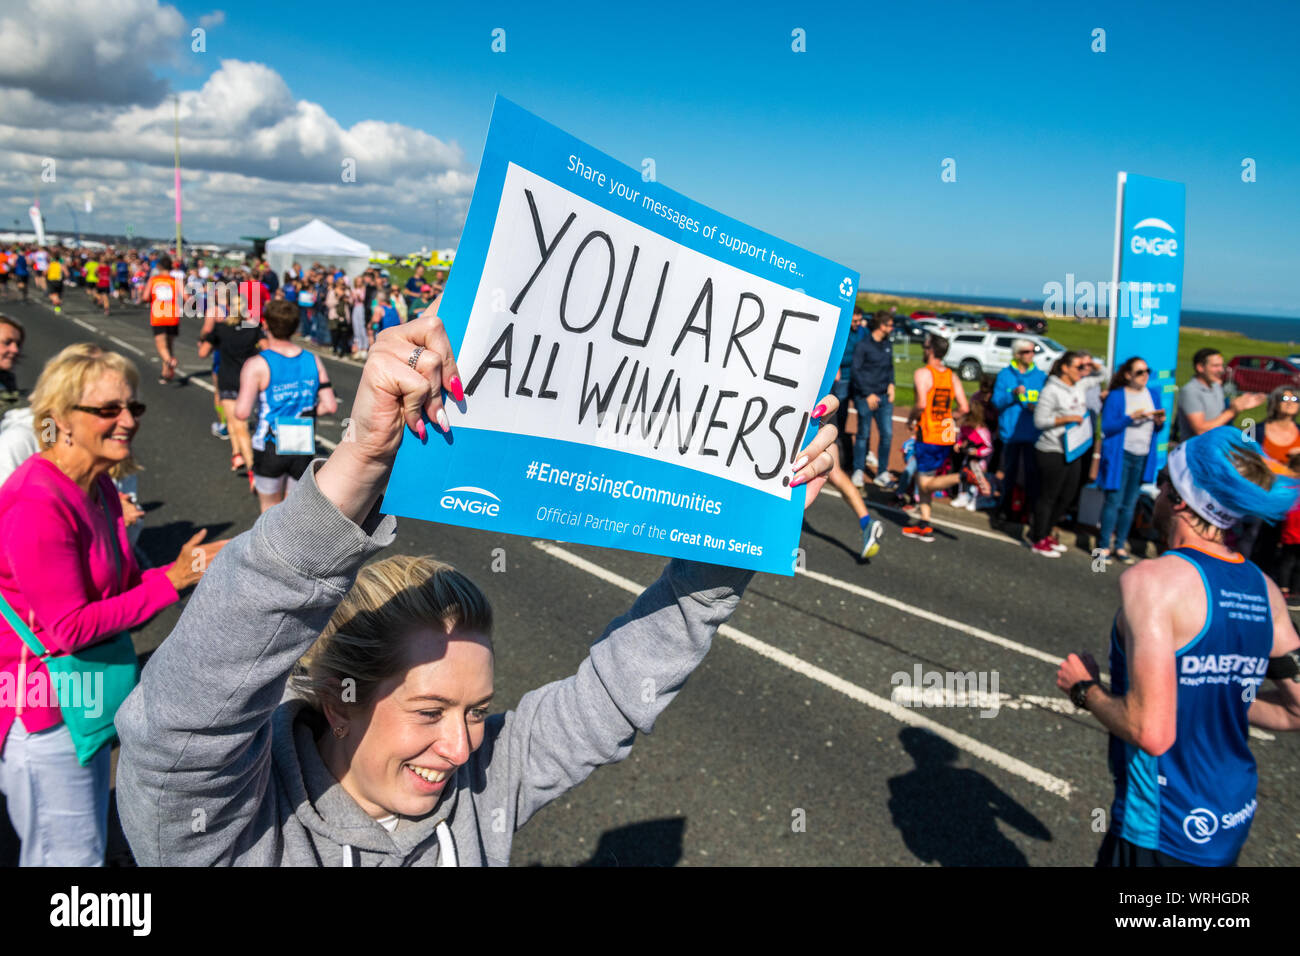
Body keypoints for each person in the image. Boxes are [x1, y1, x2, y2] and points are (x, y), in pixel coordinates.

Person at [113, 308, 841, 867]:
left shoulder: (486, 781)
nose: (463, 748)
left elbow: (612, 698)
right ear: (339, 701)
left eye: (477, 711)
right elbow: (177, 729)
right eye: (430, 709)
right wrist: (362, 460)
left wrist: (740, 533)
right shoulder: (229, 829)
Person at [0, 344, 224, 866]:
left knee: (86, 845)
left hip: (86, 696)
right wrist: (172, 579)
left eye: (133, 407)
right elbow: (67, 629)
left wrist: (185, 570)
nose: (127, 421)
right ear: (61, 420)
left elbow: (118, 587)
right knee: (68, 859)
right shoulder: (38, 499)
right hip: (45, 707)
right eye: (108, 410)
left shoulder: (98, 486)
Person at [1056, 427, 1300, 866]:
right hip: (1231, 813)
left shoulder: (1151, 582)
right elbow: (1296, 707)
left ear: (1183, 499)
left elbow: (1151, 732)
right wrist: (1220, 692)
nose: (1159, 489)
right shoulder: (1265, 589)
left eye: (1167, 479)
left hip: (1162, 826)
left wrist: (1084, 690)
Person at [236, 300, 337, 512]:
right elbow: (330, 405)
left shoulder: (257, 364)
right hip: (302, 443)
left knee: (269, 512)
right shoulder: (313, 360)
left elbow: (241, 412)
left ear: (265, 325)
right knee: (291, 513)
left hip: (270, 443)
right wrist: (301, 413)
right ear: (295, 327)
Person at [903, 335, 978, 542]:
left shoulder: (923, 373)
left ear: (930, 350)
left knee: (925, 484)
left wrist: (910, 420)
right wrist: (948, 416)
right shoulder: (951, 376)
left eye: (925, 346)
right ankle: (924, 523)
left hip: (928, 432)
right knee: (924, 477)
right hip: (946, 433)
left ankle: (962, 477)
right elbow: (964, 407)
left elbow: (920, 404)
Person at [1096, 357, 1164, 565]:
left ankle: (1121, 545)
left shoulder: (1153, 394)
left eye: (1147, 371)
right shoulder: (1117, 396)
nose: (1145, 376)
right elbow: (1107, 427)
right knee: (1113, 501)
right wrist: (1129, 418)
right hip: (1121, 454)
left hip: (1142, 454)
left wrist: (1159, 422)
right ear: (1127, 375)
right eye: (1139, 372)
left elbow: (1158, 427)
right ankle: (1103, 546)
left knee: (1130, 504)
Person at [1028, 351, 1092, 557]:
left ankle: (1046, 533)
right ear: (1065, 368)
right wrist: (1067, 419)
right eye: (1078, 367)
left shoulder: (1078, 386)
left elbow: (1102, 375)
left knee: (1067, 496)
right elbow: (1039, 421)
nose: (1083, 371)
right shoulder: (1051, 390)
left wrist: (1088, 362)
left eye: (1084, 368)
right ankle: (1037, 538)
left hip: (1073, 449)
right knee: (1049, 496)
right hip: (1052, 450)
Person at [200, 293, 265, 485]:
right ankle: (237, 454)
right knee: (238, 423)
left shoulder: (221, 329)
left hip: (227, 379)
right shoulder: (253, 328)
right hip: (248, 381)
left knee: (238, 425)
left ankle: (253, 469)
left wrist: (210, 340)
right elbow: (268, 350)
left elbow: (203, 352)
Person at [992, 339, 1047, 523]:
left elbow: (1047, 404)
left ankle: (1027, 511)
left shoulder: (1039, 377)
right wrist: (1012, 395)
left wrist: (1036, 407)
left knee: (1032, 474)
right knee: (1010, 472)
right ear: (1017, 354)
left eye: (1033, 351)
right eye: (1026, 352)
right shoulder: (1005, 375)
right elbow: (997, 402)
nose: (1031, 355)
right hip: (1010, 434)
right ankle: (1005, 508)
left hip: (1032, 434)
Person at [1174, 348, 1264, 441]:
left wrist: (1238, 407)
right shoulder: (1190, 391)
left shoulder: (1216, 387)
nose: (1221, 370)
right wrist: (1232, 411)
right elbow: (1200, 430)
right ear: (1200, 367)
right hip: (1197, 451)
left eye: (1221, 365)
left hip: (1216, 447)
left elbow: (1221, 420)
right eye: (1215, 366)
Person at [850, 311, 896, 488]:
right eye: (890, 325)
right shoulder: (863, 345)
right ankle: (858, 471)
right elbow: (856, 370)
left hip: (884, 396)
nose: (892, 328)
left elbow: (890, 367)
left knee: (887, 434)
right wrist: (867, 393)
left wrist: (892, 384)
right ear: (881, 326)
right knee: (863, 434)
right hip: (865, 397)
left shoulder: (887, 345)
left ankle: (882, 472)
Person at [832, 307, 866, 472]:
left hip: (858, 381)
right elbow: (839, 354)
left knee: (863, 419)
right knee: (840, 419)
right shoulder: (843, 332)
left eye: (859, 321)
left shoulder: (862, 332)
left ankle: (858, 458)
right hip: (844, 379)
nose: (857, 324)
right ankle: (840, 458)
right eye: (854, 321)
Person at [145, 255, 182, 384]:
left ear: (159, 266)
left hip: (159, 315)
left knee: (161, 345)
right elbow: (186, 296)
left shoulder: (154, 280)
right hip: (172, 314)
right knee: (169, 345)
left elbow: (145, 296)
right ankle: (165, 373)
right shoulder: (176, 281)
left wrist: (151, 299)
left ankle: (170, 362)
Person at [951, 400, 993, 511]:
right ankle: (963, 496)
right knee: (963, 474)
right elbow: (961, 437)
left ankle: (976, 500)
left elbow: (989, 448)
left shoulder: (982, 431)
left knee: (976, 479)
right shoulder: (965, 427)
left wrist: (978, 452)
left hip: (979, 461)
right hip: (967, 457)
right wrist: (958, 444)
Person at [1260, 386, 1300, 465]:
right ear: (1275, 403)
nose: (1290, 403)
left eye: (1295, 399)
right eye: (1284, 399)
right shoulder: (1256, 430)